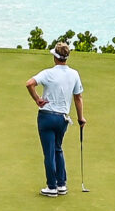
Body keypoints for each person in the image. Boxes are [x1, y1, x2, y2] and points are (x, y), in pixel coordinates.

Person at [25, 40, 86, 197]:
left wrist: (37, 99)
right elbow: (78, 97)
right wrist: (81, 118)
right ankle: (61, 184)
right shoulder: (74, 74)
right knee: (58, 149)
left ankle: (51, 187)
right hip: (62, 119)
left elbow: (29, 83)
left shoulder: (48, 73)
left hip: (46, 117)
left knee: (49, 152)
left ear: (55, 57)